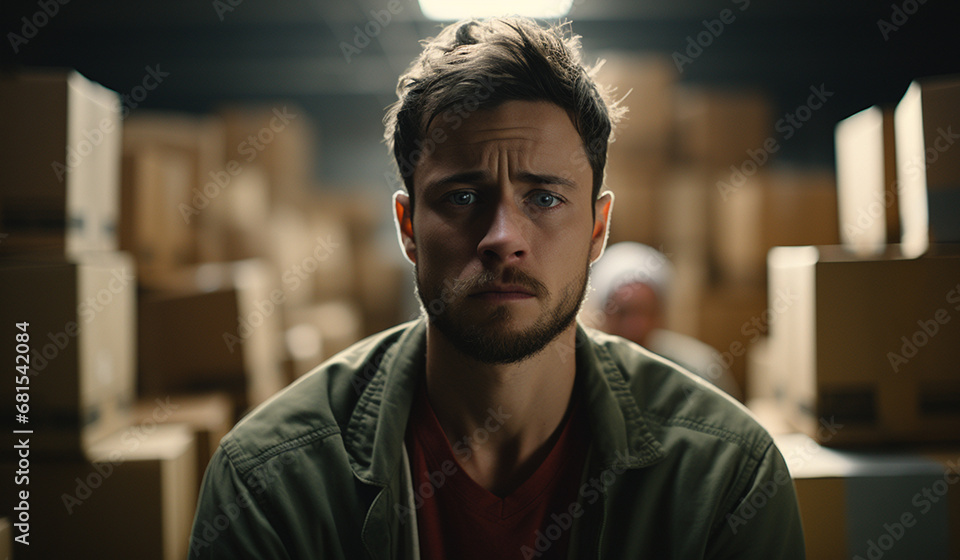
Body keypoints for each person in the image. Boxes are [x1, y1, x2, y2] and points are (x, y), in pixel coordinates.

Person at [188, 16, 805, 560]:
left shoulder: (725, 476)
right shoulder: (272, 483)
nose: (502, 237)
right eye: (462, 197)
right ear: (408, 228)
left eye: (543, 197)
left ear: (597, 228)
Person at [585, 241, 742, 399]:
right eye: (623, 313)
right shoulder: (585, 375)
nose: (635, 326)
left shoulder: (698, 368)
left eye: (644, 312)